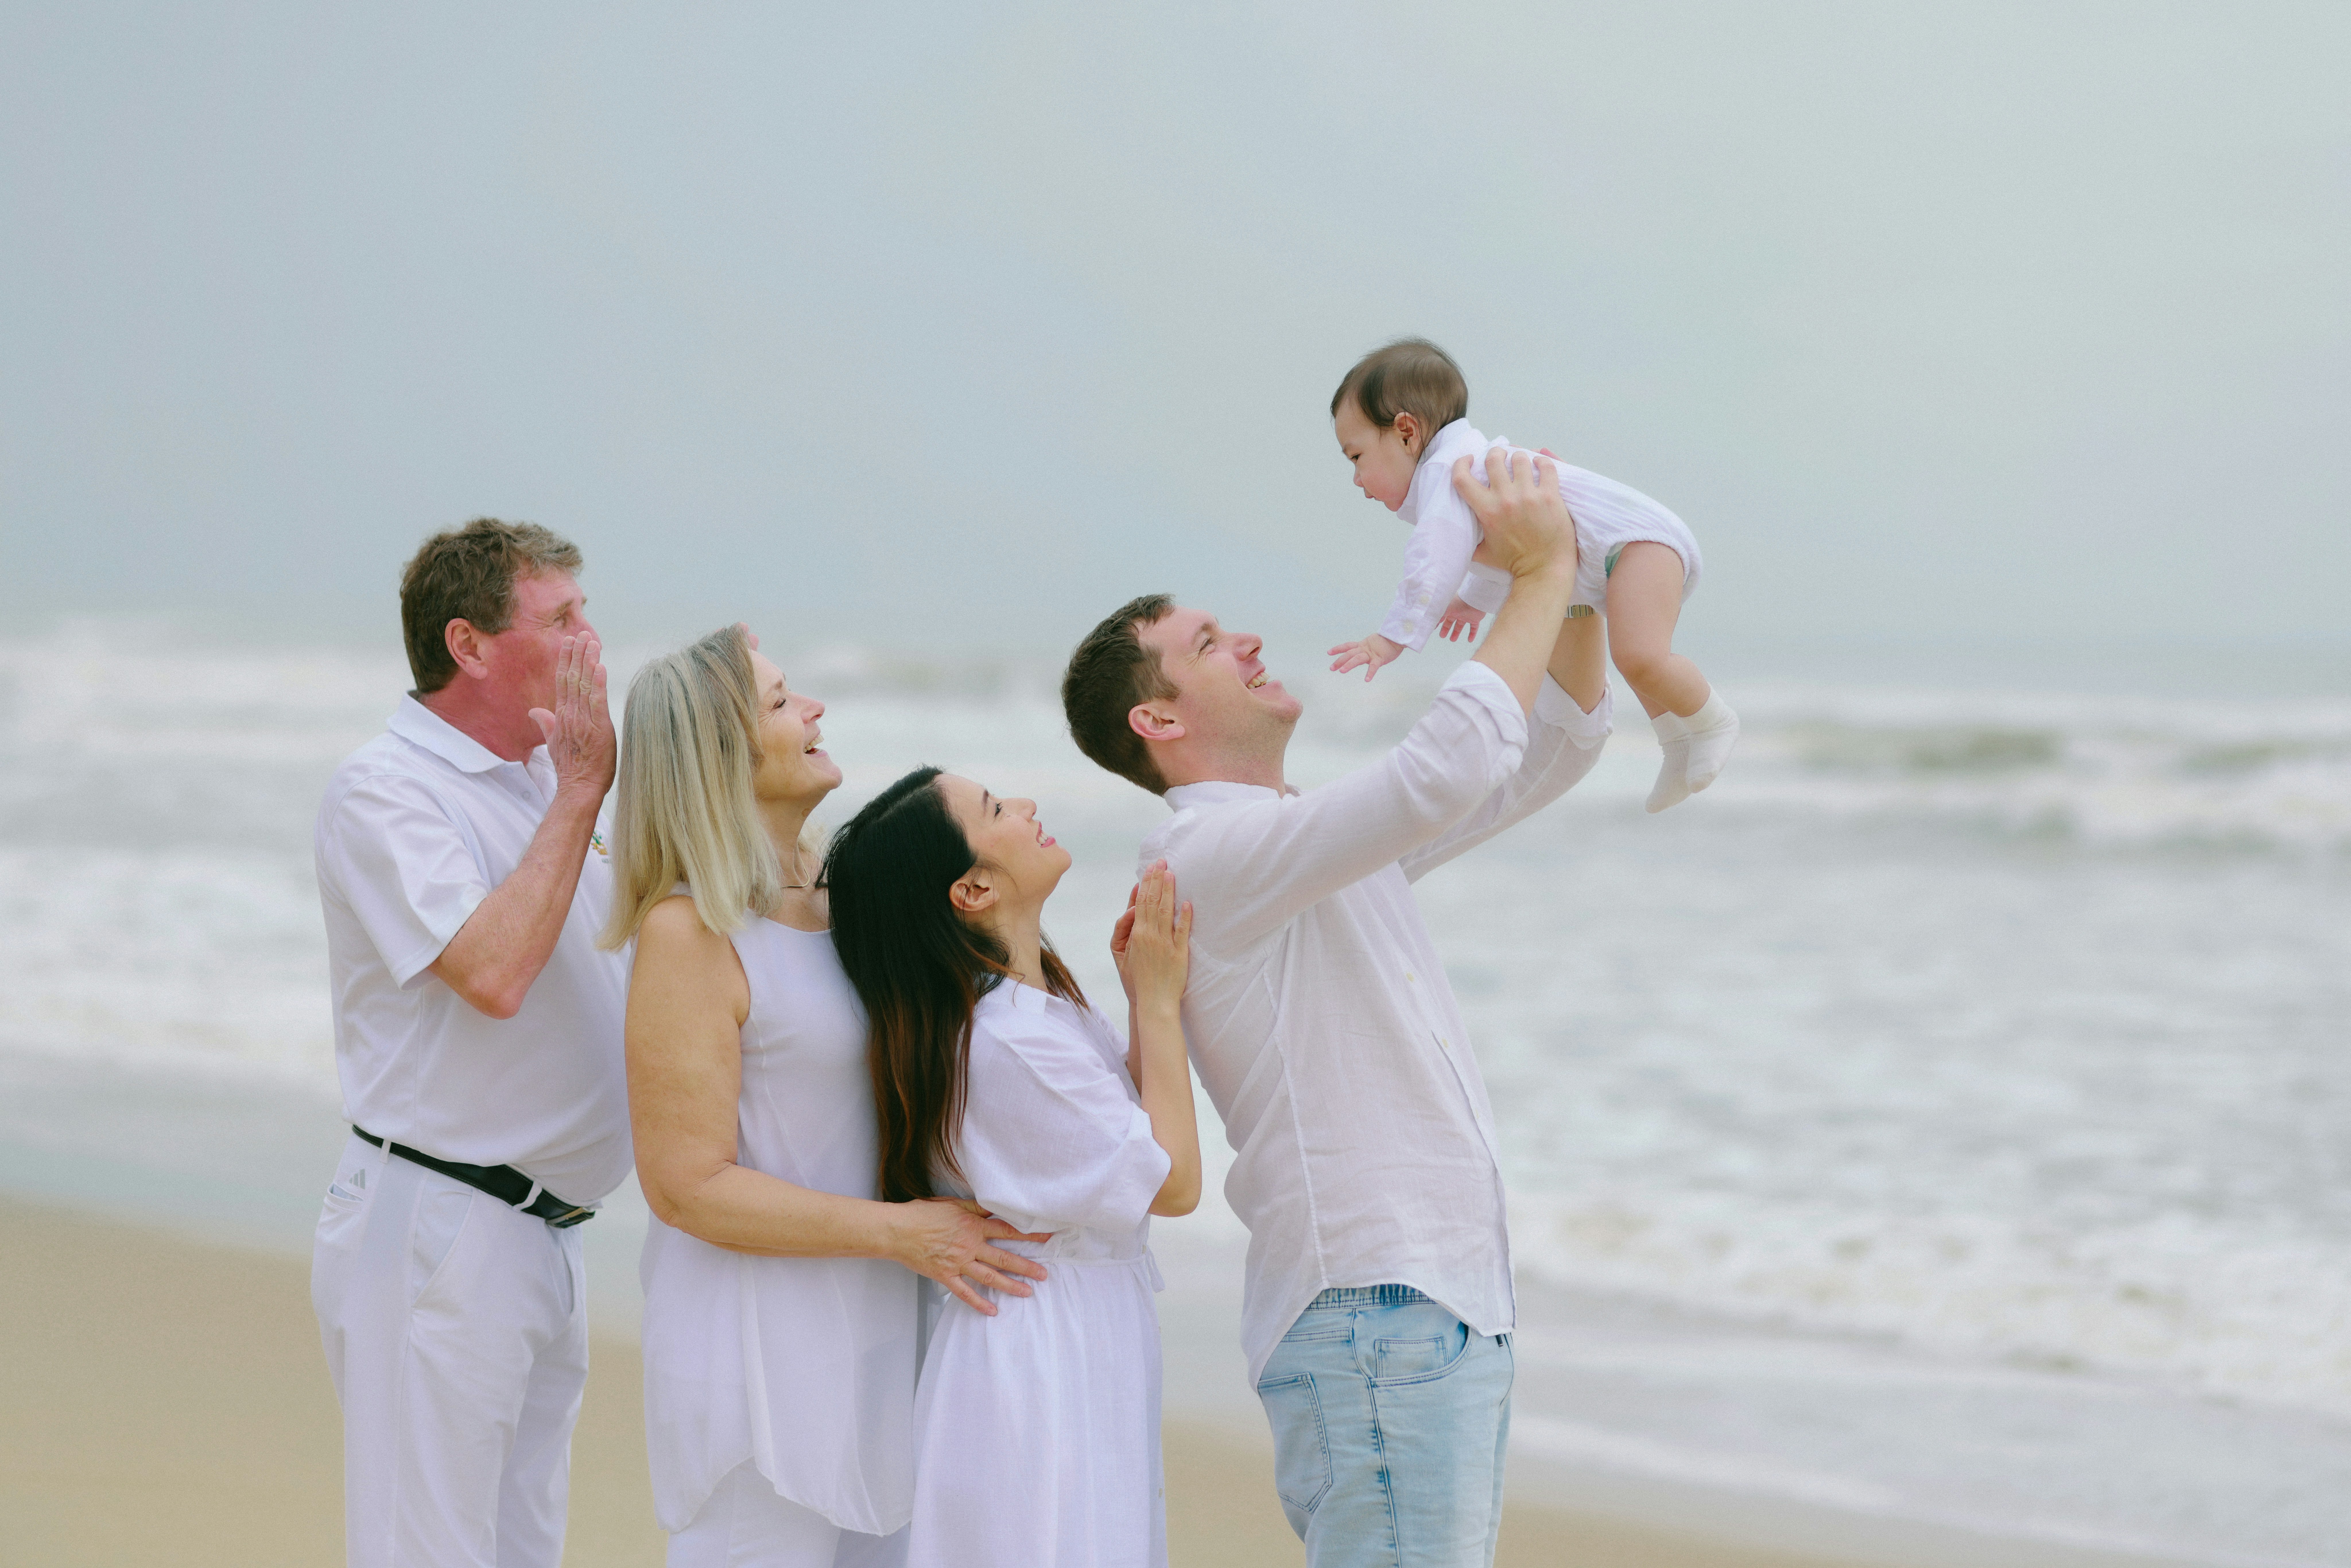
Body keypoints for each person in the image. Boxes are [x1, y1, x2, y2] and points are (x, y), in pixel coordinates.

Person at [1058, 449, 1609, 1566]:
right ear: (1157, 723)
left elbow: (1550, 747)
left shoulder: (1295, 846)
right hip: (1374, 1310)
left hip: (1427, 1305)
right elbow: (1442, 770)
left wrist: (1581, 573)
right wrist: (1538, 573)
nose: (1248, 640)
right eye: (1207, 645)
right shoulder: (1210, 853)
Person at [604, 625, 1052, 1568]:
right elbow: (684, 1183)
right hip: (760, 1352)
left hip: (885, 1331)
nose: (812, 710)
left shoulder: (849, 901)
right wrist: (903, 1233)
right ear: (721, 753)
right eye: (778, 701)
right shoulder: (692, 931)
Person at [310, 517, 628, 1568]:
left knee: (521, 1551)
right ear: (470, 645)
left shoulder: (543, 781)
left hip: (546, 1235)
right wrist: (585, 791)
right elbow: (492, 971)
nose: (591, 640)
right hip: (440, 1226)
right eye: (563, 618)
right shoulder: (386, 790)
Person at [824, 769, 1201, 1568]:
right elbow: (1171, 1185)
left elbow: (1127, 1142)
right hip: (1040, 1349)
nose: (1027, 806)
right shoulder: (1006, 1042)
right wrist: (1162, 1006)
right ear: (972, 889)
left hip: (1064, 1331)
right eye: (996, 809)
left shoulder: (1028, 1012)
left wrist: (1139, 1001)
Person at [1327, 336, 1738, 813]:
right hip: (1623, 554)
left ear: (1406, 432)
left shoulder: (1447, 473)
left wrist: (1391, 638)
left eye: (1356, 457)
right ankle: (1676, 747)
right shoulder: (1465, 468)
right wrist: (1472, 601)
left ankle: (1713, 723)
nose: (1356, 480)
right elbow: (1492, 551)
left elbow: (1432, 561)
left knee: (1640, 656)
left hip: (1638, 544)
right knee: (1635, 662)